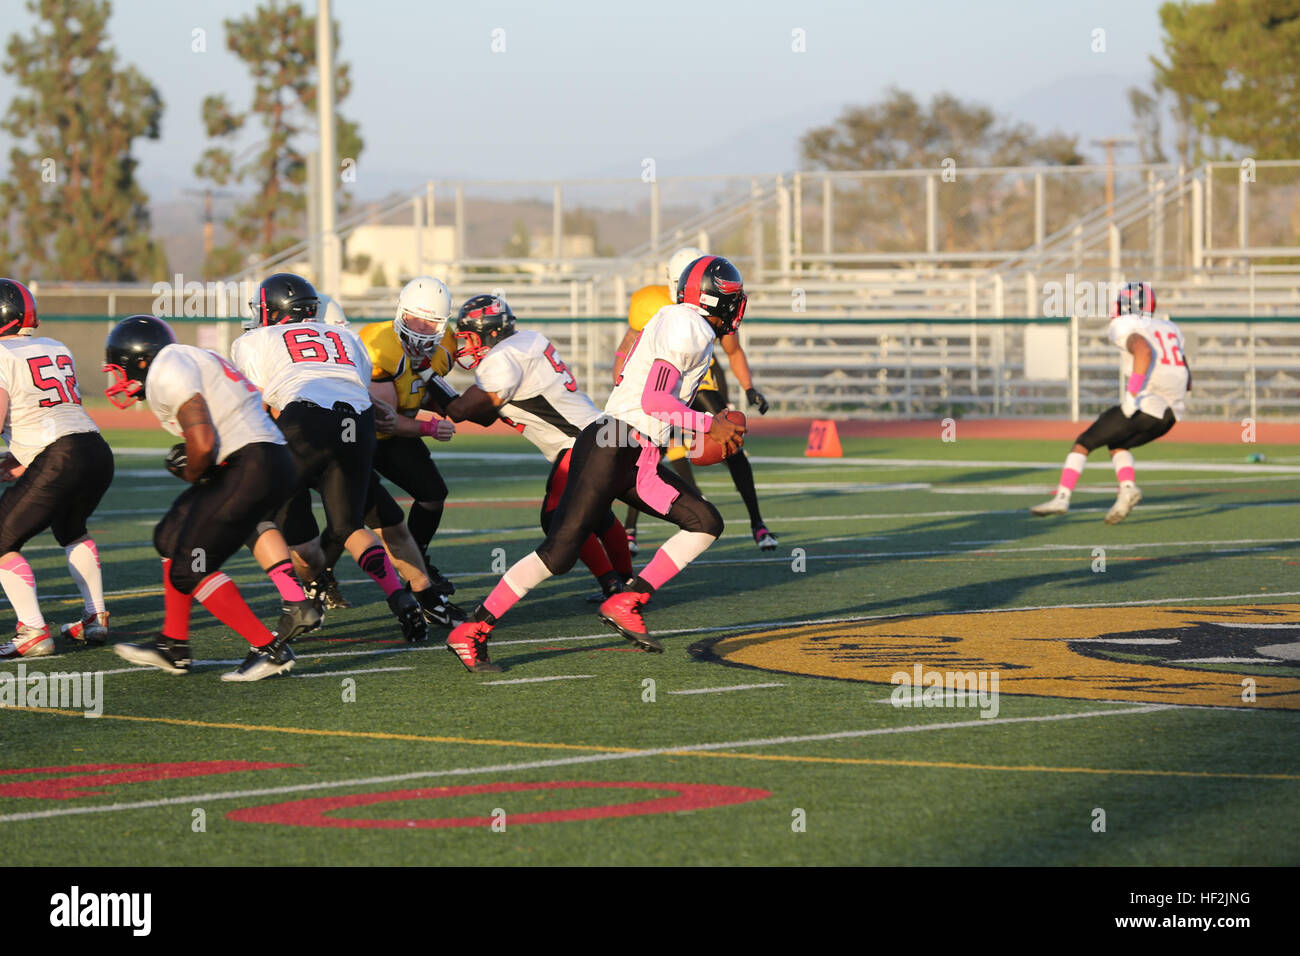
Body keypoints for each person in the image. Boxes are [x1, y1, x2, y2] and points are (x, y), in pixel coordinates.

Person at [444, 255, 748, 673]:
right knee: (559, 552)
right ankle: (472, 629)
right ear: (715, 299)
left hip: (635, 452)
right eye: (732, 295)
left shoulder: (684, 323)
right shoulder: (689, 327)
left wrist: (701, 427)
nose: (737, 303)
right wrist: (706, 424)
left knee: (706, 523)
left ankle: (626, 598)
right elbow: (654, 401)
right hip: (614, 444)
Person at [103, 314, 319, 681]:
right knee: (170, 537)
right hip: (260, 459)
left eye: (120, 368)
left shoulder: (165, 369)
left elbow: (202, 442)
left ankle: (268, 649)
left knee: (192, 566)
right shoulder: (191, 356)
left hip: (250, 464)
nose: (118, 379)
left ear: (140, 360)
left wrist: (191, 469)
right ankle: (173, 645)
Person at [230, 273, 427, 643]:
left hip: (302, 424)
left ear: (273, 311)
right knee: (348, 527)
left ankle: (299, 603)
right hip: (357, 425)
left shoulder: (255, 340)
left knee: (257, 513)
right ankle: (400, 598)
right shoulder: (346, 337)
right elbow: (353, 388)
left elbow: (256, 403)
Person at [444, 293, 635, 604]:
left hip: (579, 444)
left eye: (470, 337)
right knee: (598, 516)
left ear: (491, 333)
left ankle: (614, 586)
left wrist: (428, 381)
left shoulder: (502, 360)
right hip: (598, 434)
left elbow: (463, 411)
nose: (466, 345)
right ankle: (625, 581)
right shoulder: (527, 341)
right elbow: (486, 417)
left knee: (557, 518)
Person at [615, 246, 777, 554]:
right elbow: (628, 345)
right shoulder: (655, 305)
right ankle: (630, 528)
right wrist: (622, 377)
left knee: (730, 442)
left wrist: (749, 387)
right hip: (664, 386)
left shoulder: (713, 307)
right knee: (649, 447)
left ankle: (757, 522)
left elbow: (732, 348)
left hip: (700, 382)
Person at [0, 279, 114, 659]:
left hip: (59, 455)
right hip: (95, 448)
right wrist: (20, 458)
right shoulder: (54, 346)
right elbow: (52, 411)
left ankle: (32, 631)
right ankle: (95, 616)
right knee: (70, 528)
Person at [1031, 282, 1191, 524]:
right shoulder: (1170, 328)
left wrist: (1132, 395)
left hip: (1146, 404)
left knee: (1084, 442)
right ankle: (1127, 490)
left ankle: (1062, 497)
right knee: (1117, 443)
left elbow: (1143, 350)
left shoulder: (1124, 324)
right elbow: (1187, 379)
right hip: (1171, 416)